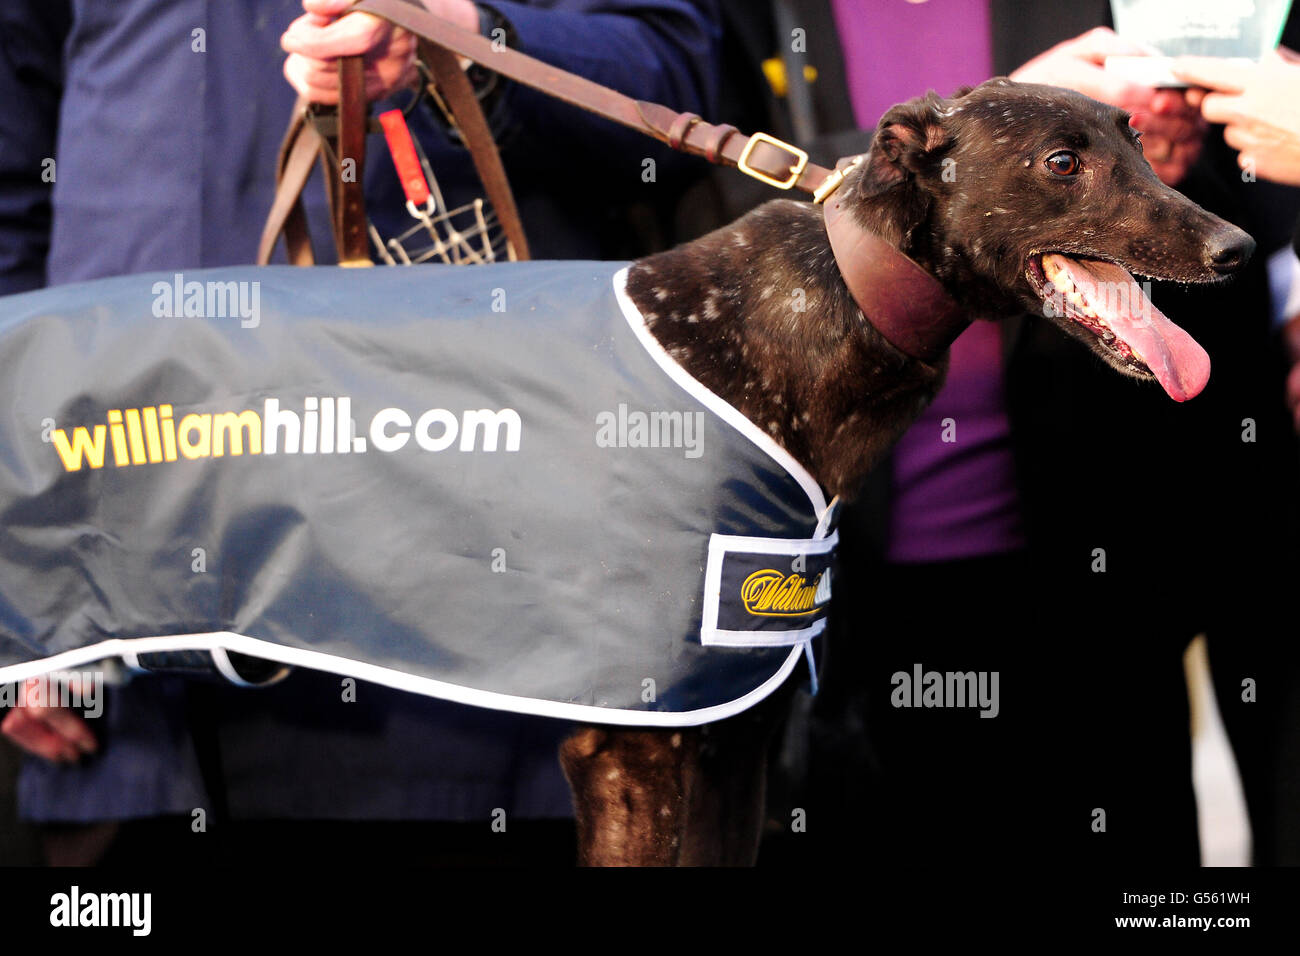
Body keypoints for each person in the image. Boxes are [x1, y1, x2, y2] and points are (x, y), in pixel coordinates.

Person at [0, 0, 726, 865]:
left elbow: (674, 91)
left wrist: (468, 40)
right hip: (122, 652)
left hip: (474, 658)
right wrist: (17, 538)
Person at [753, 0, 1299, 866]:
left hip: (1107, 551)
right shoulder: (751, 18)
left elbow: (1256, 144)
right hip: (856, 563)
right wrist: (1000, 133)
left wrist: (1169, 146)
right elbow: (693, 197)